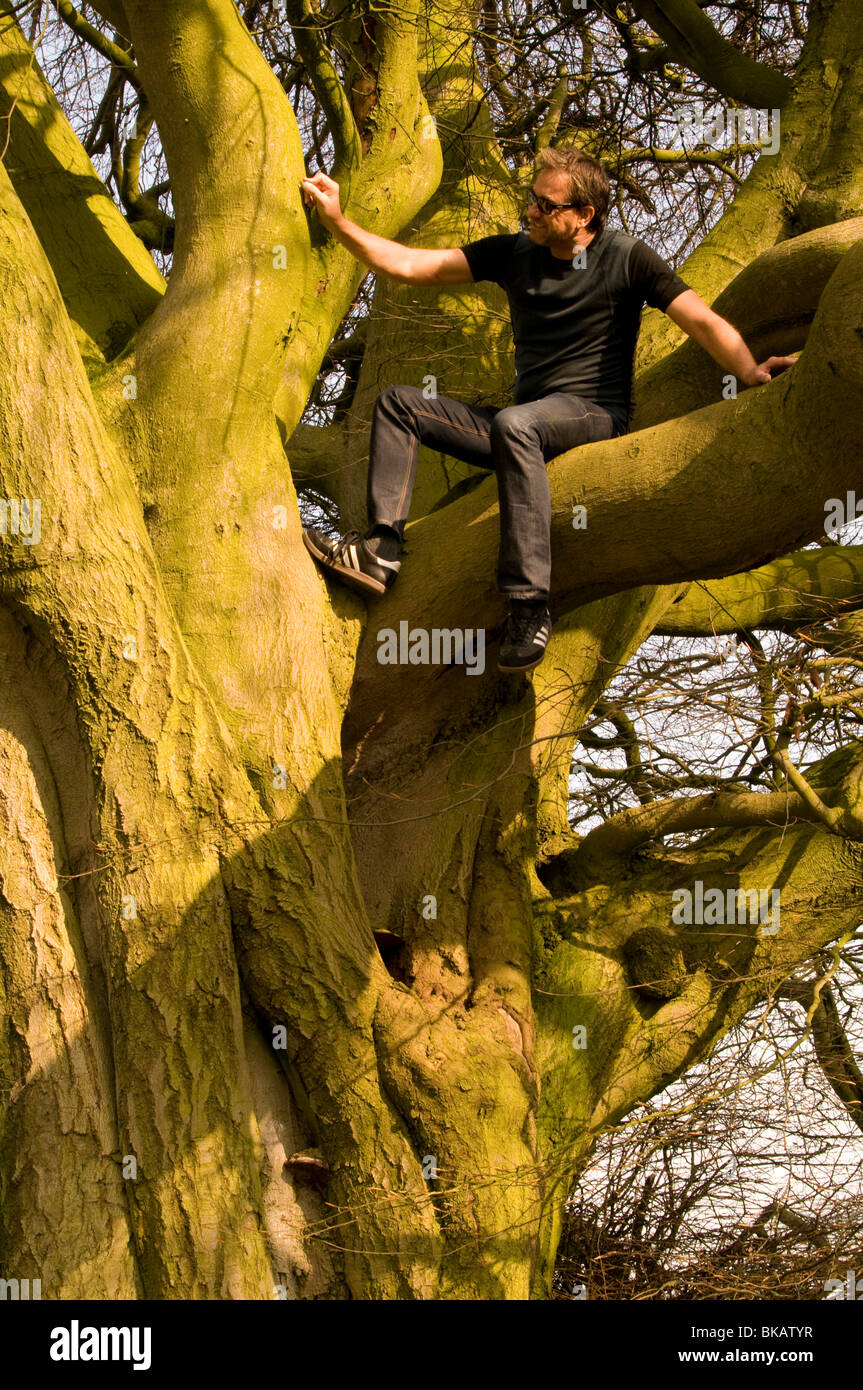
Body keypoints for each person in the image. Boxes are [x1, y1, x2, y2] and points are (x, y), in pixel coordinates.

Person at [300, 148, 795, 673]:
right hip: (526, 426)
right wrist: (336, 220)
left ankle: (529, 605)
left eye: (546, 203)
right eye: (531, 199)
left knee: (518, 424)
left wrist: (749, 372)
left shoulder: (628, 258)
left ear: (584, 215)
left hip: (592, 417)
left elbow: (700, 320)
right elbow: (407, 264)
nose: (531, 211)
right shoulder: (514, 254)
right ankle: (381, 550)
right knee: (401, 403)